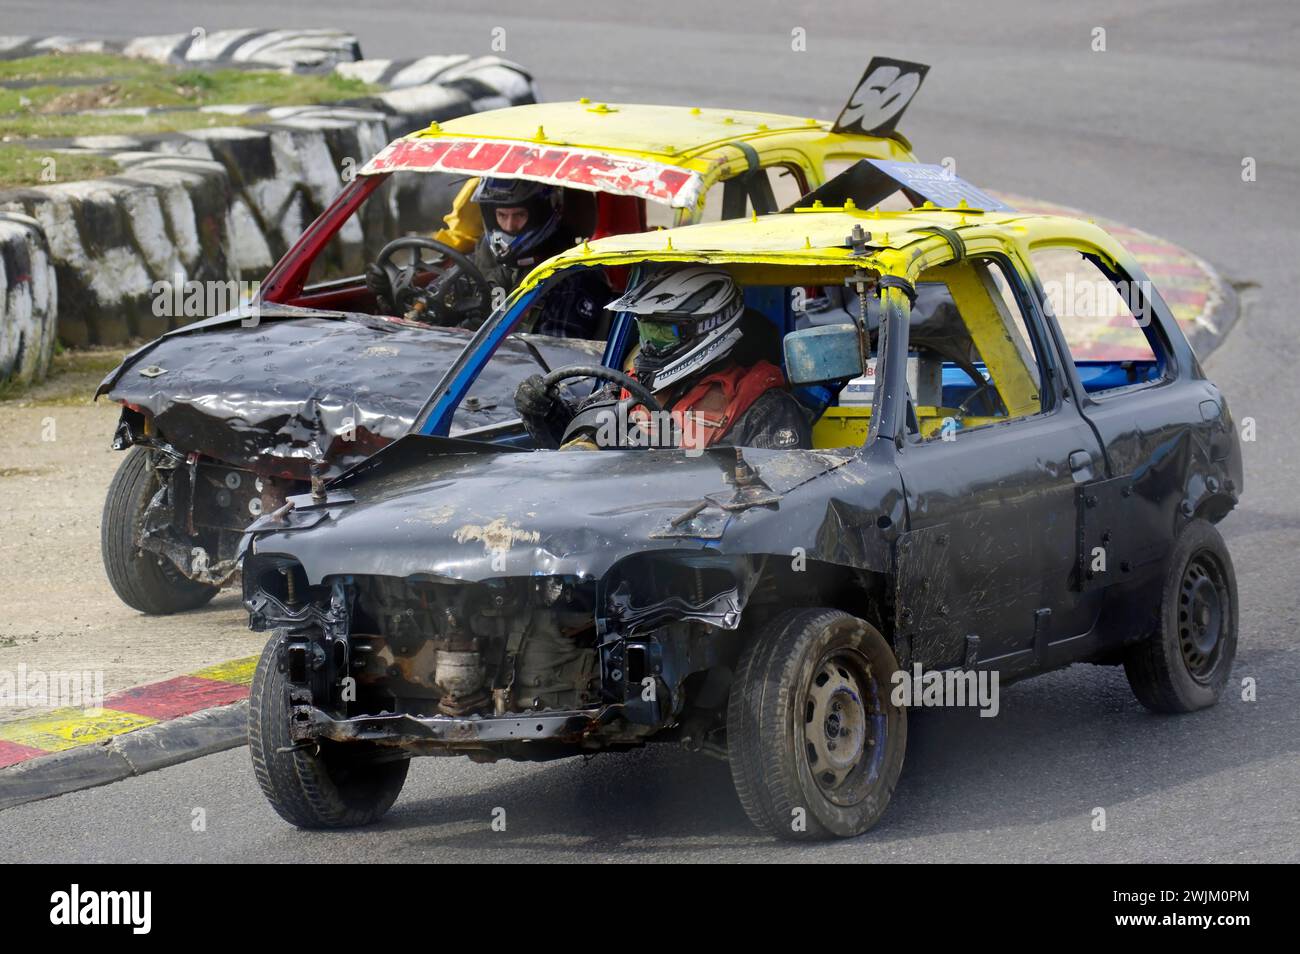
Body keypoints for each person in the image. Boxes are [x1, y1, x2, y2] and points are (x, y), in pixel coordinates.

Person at [515, 265, 812, 451]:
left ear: (708, 327)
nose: (650, 345)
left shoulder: (766, 410)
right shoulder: (627, 388)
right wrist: (545, 412)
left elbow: (775, 507)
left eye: (662, 332)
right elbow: (573, 451)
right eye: (645, 331)